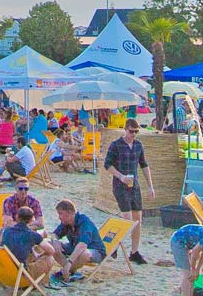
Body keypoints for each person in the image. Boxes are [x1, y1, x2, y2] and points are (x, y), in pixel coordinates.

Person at [104, 119, 154, 265]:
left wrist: (150, 186)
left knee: (137, 219)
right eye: (131, 131)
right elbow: (108, 165)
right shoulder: (116, 145)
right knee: (126, 217)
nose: (133, 134)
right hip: (120, 185)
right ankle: (114, 244)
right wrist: (120, 176)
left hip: (134, 185)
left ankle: (134, 252)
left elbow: (144, 165)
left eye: (136, 132)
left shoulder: (138, 145)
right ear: (125, 130)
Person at [1, 206, 66, 287]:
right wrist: (41, 255)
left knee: (34, 249)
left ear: (17, 217)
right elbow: (51, 251)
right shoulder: (32, 235)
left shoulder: (7, 231)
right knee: (50, 258)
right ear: (32, 219)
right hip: (22, 275)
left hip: (5, 272)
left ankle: (41, 280)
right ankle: (43, 282)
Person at [51, 199, 104, 286]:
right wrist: (55, 241)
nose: (59, 217)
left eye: (60, 213)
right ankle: (70, 272)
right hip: (74, 246)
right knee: (51, 245)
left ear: (69, 213)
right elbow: (54, 234)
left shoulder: (84, 222)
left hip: (95, 251)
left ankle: (66, 270)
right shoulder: (66, 222)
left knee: (84, 253)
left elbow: (82, 245)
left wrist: (69, 262)